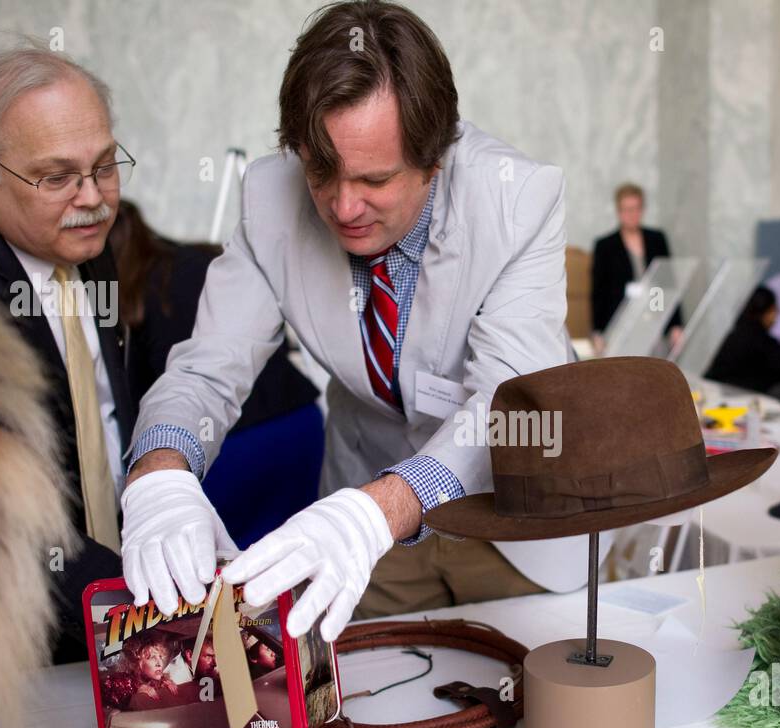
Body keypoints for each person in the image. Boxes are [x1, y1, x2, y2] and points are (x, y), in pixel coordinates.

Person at [121, 0, 601, 643]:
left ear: (436, 161)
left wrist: (382, 511)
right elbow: (209, 365)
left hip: (510, 521)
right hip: (366, 520)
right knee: (356, 706)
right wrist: (160, 473)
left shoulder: (516, 198)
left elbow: (508, 403)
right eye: (321, 171)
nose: (343, 207)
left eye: (375, 179)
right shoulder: (269, 198)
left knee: (533, 707)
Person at [0, 46, 137, 663]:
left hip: (98, 599)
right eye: (57, 177)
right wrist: (141, 609)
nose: (94, 197)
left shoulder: (81, 237)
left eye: (104, 166)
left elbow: (100, 416)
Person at [108, 200, 324, 545]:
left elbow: (139, 393)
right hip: (297, 423)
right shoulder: (204, 258)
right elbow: (273, 338)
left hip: (227, 446)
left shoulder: (129, 298)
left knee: (225, 570)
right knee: (293, 552)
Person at [589, 182, 681, 350]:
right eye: (626, 209)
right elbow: (599, 293)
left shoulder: (657, 239)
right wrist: (598, 331)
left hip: (654, 318)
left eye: (636, 208)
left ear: (643, 209)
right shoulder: (605, 246)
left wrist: (675, 325)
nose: (632, 214)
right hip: (621, 324)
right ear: (619, 211)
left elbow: (667, 284)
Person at [705, 286, 780, 407]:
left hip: (713, 395)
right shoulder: (766, 344)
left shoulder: (731, 336)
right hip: (743, 403)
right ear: (767, 312)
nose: (777, 316)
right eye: (775, 310)